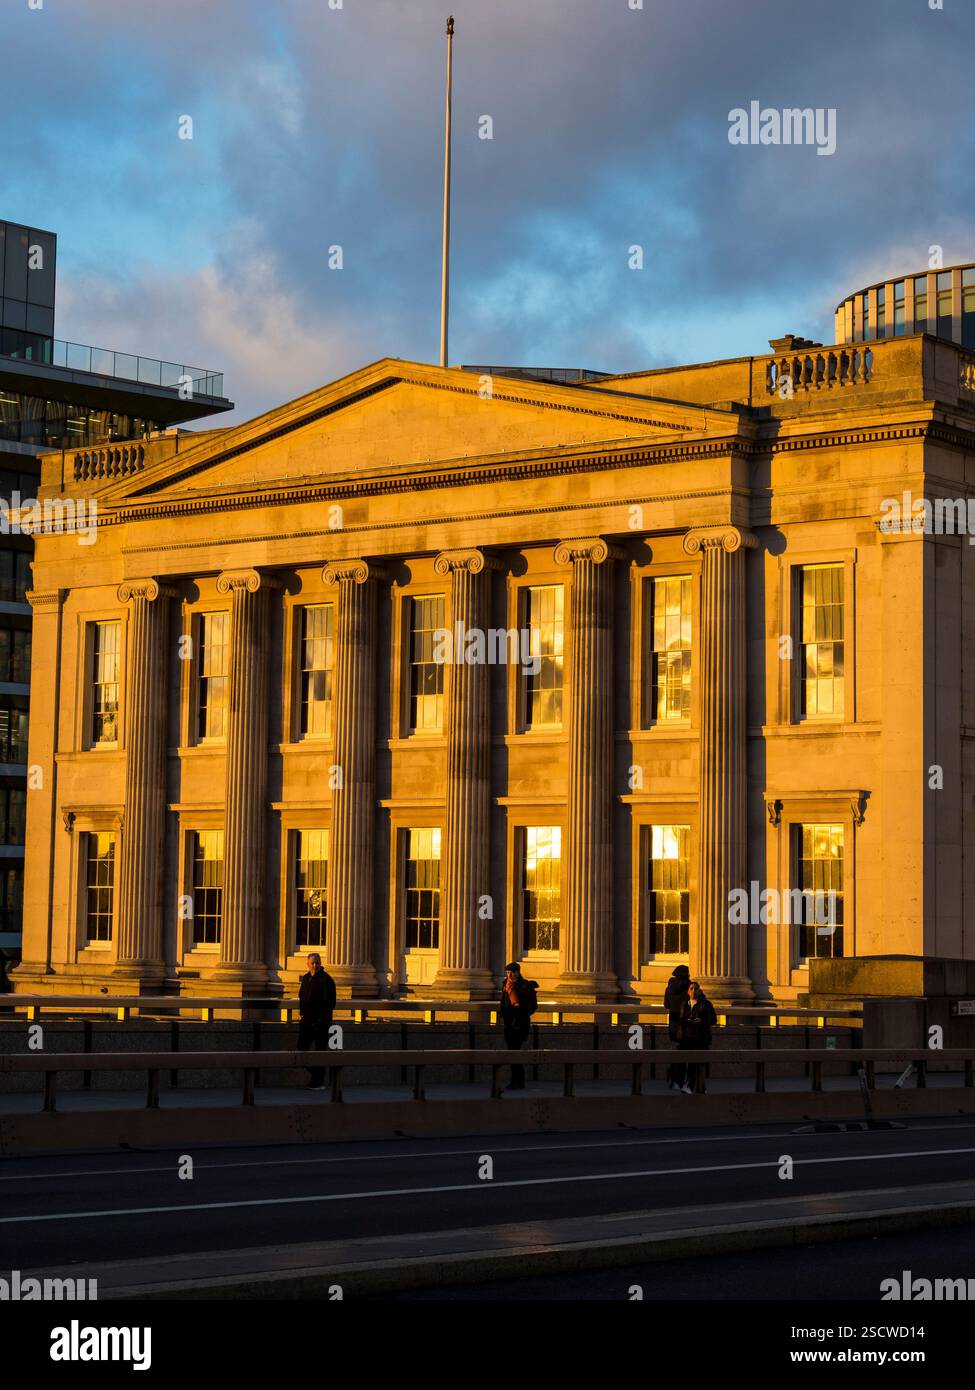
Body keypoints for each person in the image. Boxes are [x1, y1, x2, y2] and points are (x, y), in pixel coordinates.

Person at [297, 952, 337, 1090]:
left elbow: (331, 1003)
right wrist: (302, 1014)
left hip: (321, 1023)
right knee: (300, 1050)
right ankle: (316, 1075)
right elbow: (302, 996)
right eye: (313, 963)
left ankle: (317, 1082)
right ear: (308, 964)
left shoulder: (327, 980)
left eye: (318, 962)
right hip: (307, 1021)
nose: (315, 965)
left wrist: (321, 1018)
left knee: (320, 1052)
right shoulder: (306, 978)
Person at [498, 961, 538, 1091]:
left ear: (518, 972)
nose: (510, 975)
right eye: (508, 973)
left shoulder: (525, 986)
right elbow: (504, 1002)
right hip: (509, 1024)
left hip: (520, 1025)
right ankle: (516, 1081)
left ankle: (518, 1081)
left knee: (515, 1052)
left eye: (513, 972)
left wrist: (521, 1012)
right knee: (512, 1052)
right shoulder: (506, 985)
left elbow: (533, 1006)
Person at [677, 980, 717, 1094]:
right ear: (688, 992)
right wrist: (685, 1021)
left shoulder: (706, 1004)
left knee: (699, 1065)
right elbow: (680, 1020)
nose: (693, 991)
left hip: (701, 1038)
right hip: (687, 1039)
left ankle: (698, 1087)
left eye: (695, 988)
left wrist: (702, 1021)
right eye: (691, 988)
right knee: (689, 1065)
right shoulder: (684, 1004)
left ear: (699, 991)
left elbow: (713, 1019)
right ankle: (693, 1086)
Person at [663, 964, 691, 1091]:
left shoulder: (669, 987)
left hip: (673, 1024)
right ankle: (677, 1078)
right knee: (685, 1054)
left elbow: (666, 1005)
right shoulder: (689, 987)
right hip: (685, 1025)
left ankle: (674, 1076)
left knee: (680, 1050)